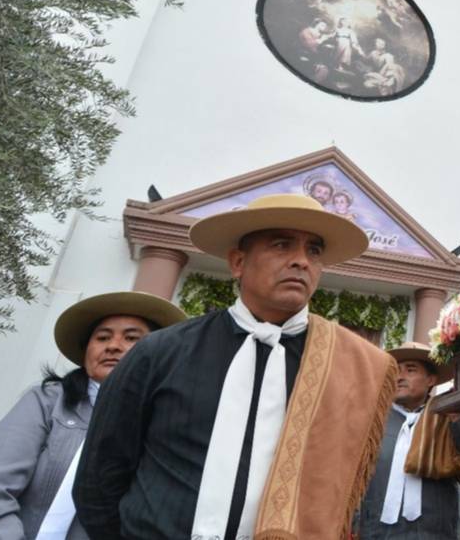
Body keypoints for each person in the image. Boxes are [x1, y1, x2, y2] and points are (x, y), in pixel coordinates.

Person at [74, 194, 398, 539]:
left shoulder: (349, 366)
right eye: (281, 245)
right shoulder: (161, 351)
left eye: (313, 251)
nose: (301, 261)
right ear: (238, 262)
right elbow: (100, 477)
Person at [0, 291, 186, 539]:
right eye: (102, 337)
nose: (113, 346)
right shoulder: (47, 402)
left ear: (157, 353)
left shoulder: (169, 426)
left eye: (131, 338)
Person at [354, 341, 460, 539]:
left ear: (431, 380)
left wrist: (458, 424)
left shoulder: (447, 419)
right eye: (396, 370)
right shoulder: (372, 422)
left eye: (410, 370)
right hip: (376, 534)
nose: (400, 377)